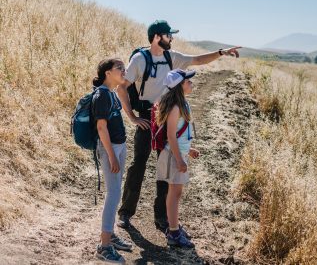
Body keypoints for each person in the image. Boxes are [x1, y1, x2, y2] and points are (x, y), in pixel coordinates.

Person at [116, 20, 237, 231]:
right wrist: (133, 117)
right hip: (146, 117)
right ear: (156, 37)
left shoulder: (172, 57)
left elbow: (198, 59)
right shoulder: (140, 59)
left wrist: (221, 52)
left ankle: (161, 217)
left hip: (166, 117)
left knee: (166, 168)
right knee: (139, 165)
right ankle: (126, 212)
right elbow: (122, 87)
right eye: (168, 35)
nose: (172, 38)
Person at [89, 59, 133, 262]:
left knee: (116, 192)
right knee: (113, 193)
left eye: (124, 68)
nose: (124, 71)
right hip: (110, 150)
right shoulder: (102, 95)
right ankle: (104, 246)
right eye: (119, 68)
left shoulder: (112, 93)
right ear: (108, 72)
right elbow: (101, 128)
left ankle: (111, 235)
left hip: (119, 146)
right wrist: (112, 155)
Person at [154, 69, 200, 248]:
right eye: (188, 81)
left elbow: (181, 136)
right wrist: (180, 159)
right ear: (179, 86)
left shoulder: (183, 104)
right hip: (174, 156)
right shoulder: (175, 107)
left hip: (179, 154)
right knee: (174, 193)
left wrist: (189, 150)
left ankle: (173, 227)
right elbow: (171, 136)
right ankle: (173, 232)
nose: (191, 83)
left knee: (175, 193)